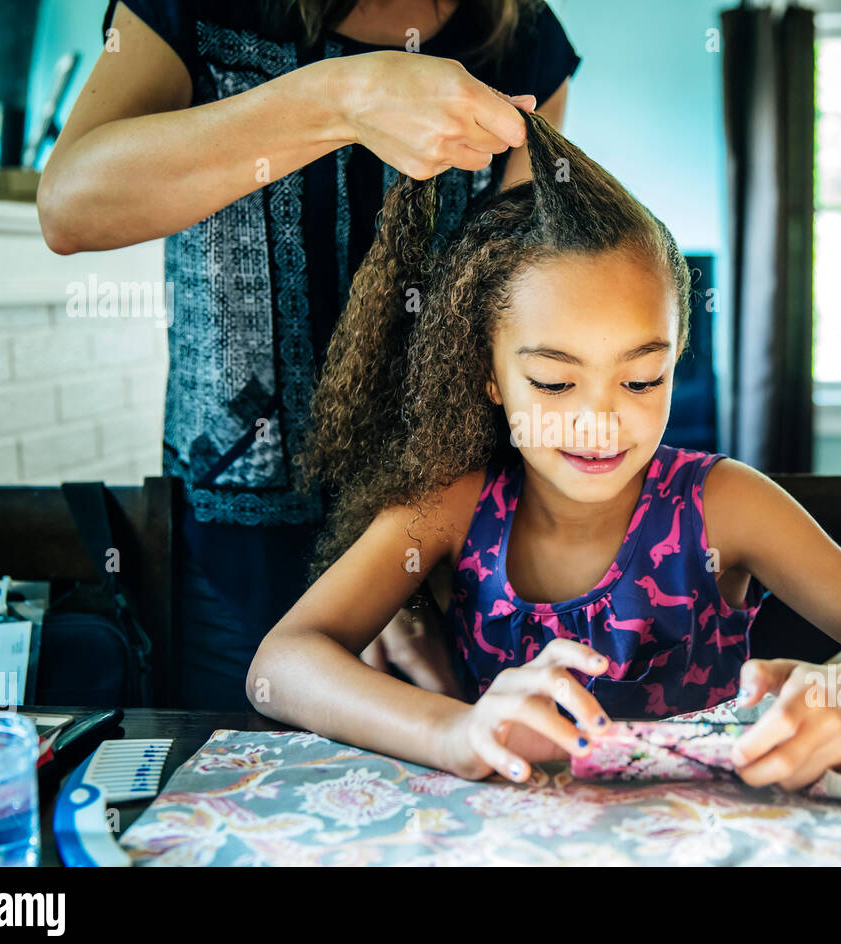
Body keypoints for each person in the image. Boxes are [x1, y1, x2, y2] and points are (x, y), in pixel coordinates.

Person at [246, 111, 841, 790]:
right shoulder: (452, 502)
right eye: (554, 382)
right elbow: (280, 667)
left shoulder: (724, 505)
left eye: (641, 379)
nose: (601, 421)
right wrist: (455, 731)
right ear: (489, 375)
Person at [36, 0, 581, 708]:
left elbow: (508, 325)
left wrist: (399, 566)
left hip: (437, 560)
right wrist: (343, 98)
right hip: (230, 564)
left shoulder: (527, 42)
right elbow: (70, 205)